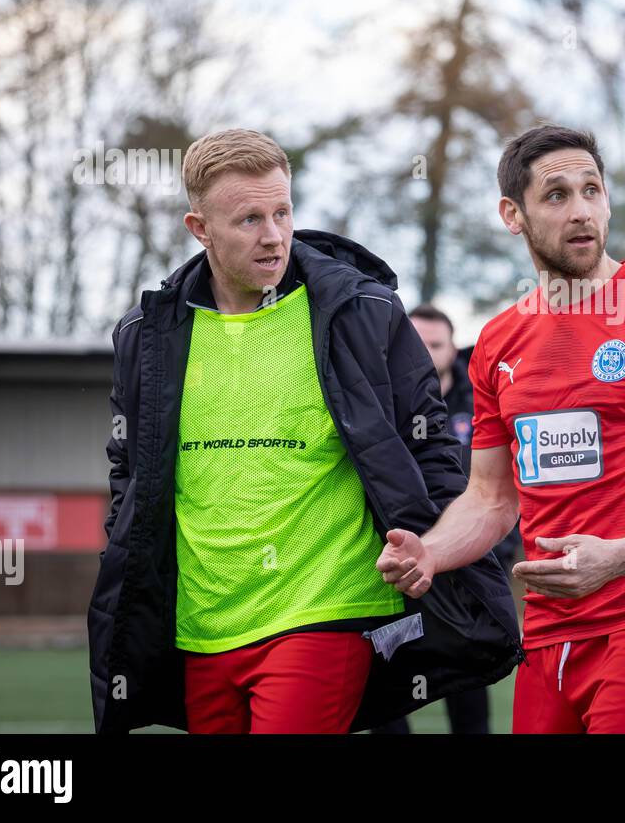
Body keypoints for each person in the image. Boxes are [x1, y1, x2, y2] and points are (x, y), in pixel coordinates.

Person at [88, 128, 519, 733]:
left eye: (283, 212)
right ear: (199, 229)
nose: (273, 235)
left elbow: (429, 449)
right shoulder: (147, 335)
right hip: (202, 624)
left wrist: (438, 549)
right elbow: (127, 470)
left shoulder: (359, 313)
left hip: (326, 608)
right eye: (249, 219)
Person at [376, 123, 625, 733]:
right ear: (512, 215)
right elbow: (493, 498)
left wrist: (620, 557)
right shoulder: (496, 342)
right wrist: (432, 553)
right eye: (556, 195)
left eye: (591, 190)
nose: (581, 211)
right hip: (545, 629)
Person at [371, 303, 520, 734]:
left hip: (470, 560)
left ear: (453, 348)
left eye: (435, 345)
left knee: (466, 671)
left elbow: (503, 487)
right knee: (386, 671)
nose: (426, 353)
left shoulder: (482, 402)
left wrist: (493, 551)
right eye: (416, 344)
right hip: (393, 558)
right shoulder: (379, 403)